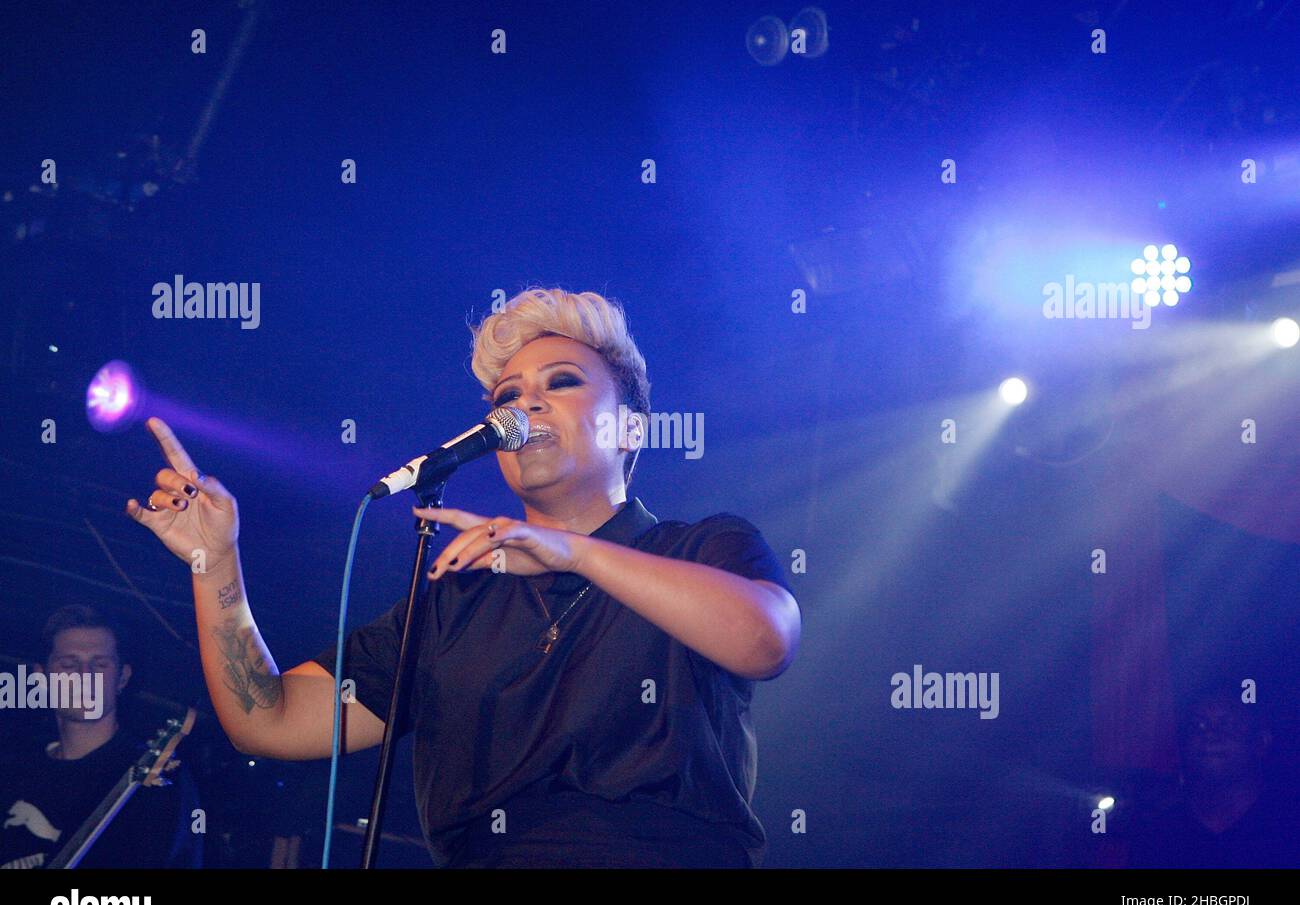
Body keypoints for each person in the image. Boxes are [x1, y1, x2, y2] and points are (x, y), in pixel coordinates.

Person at [125, 286, 800, 867]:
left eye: (561, 382)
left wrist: (576, 552)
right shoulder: (455, 601)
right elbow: (267, 719)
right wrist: (216, 562)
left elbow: (764, 638)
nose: (525, 405)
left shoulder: (700, 546)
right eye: (509, 395)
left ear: (630, 429)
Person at [0, 605, 203, 869]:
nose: (85, 676)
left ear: (122, 678)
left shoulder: (155, 777)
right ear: (42, 679)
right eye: (69, 664)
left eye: (100, 664)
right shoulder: (14, 770)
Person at [1125, 682, 1300, 868]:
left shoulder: (1288, 823)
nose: (1211, 735)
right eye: (1199, 725)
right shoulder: (1156, 825)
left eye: (1227, 725)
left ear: (1261, 741)